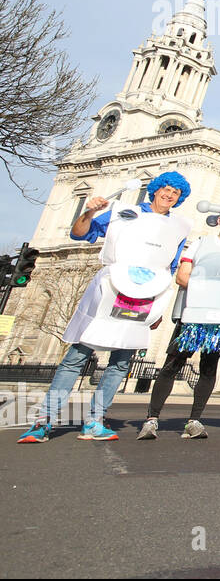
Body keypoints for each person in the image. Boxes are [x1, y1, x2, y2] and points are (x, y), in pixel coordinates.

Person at [20, 172, 192, 443]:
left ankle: (95, 421)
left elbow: (169, 267)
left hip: (146, 295)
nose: (169, 195)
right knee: (78, 353)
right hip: (111, 287)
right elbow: (81, 234)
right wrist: (88, 212)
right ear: (156, 189)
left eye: (176, 193)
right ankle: (44, 420)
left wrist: (158, 308)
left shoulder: (181, 227)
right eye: (167, 189)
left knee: (121, 361)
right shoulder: (125, 212)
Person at [138, 201, 220, 441]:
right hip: (194, 314)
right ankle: (152, 419)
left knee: (208, 367)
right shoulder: (200, 244)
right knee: (172, 363)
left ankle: (194, 420)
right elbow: (182, 276)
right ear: (219, 220)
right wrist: (210, 290)